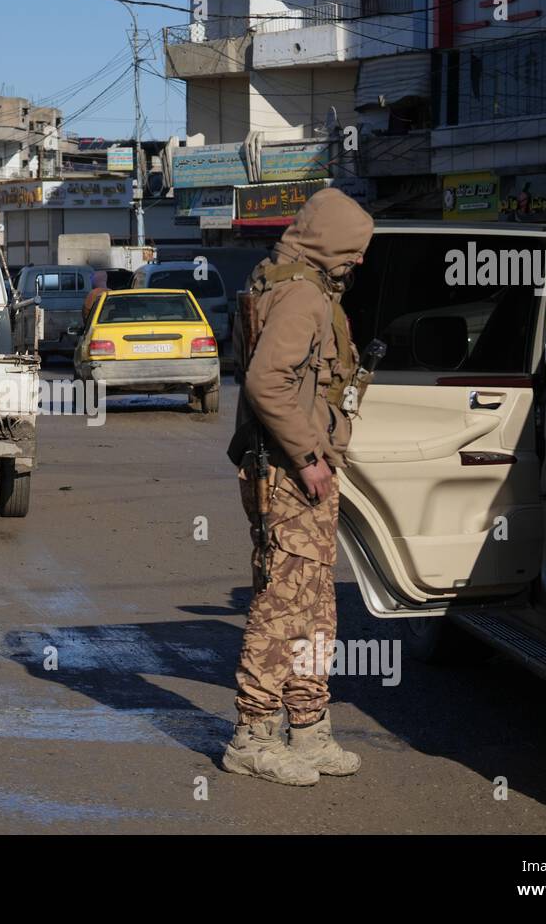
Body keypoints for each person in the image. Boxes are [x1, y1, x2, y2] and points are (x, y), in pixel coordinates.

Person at [222, 187, 374, 786]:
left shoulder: (298, 285)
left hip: (303, 470)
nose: (359, 262)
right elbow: (267, 383)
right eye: (354, 250)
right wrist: (311, 457)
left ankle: (307, 728)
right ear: (330, 242)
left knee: (316, 609)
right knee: (282, 608)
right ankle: (252, 735)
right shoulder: (302, 297)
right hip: (288, 473)